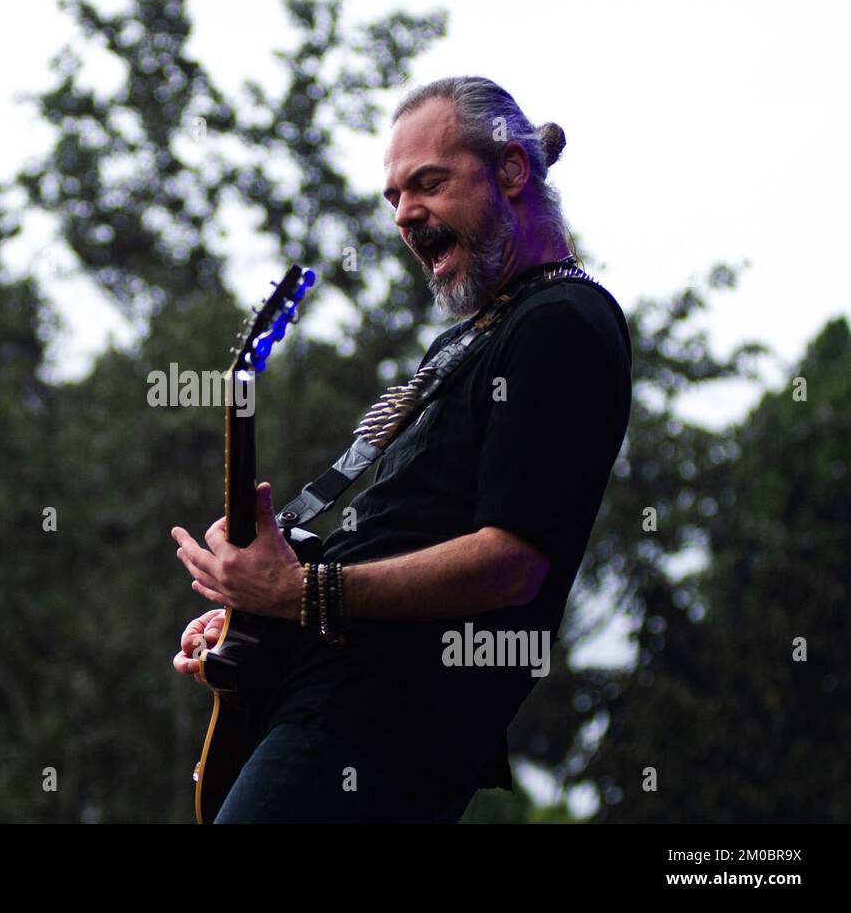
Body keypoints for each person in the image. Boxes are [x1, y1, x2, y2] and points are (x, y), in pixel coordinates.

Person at [171, 76, 632, 823]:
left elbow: (510, 563)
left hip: (377, 726)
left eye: (429, 184)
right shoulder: (476, 337)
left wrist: (299, 593)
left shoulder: (562, 322)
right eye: (393, 198)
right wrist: (255, 615)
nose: (405, 215)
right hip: (326, 709)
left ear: (513, 172)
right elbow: (402, 526)